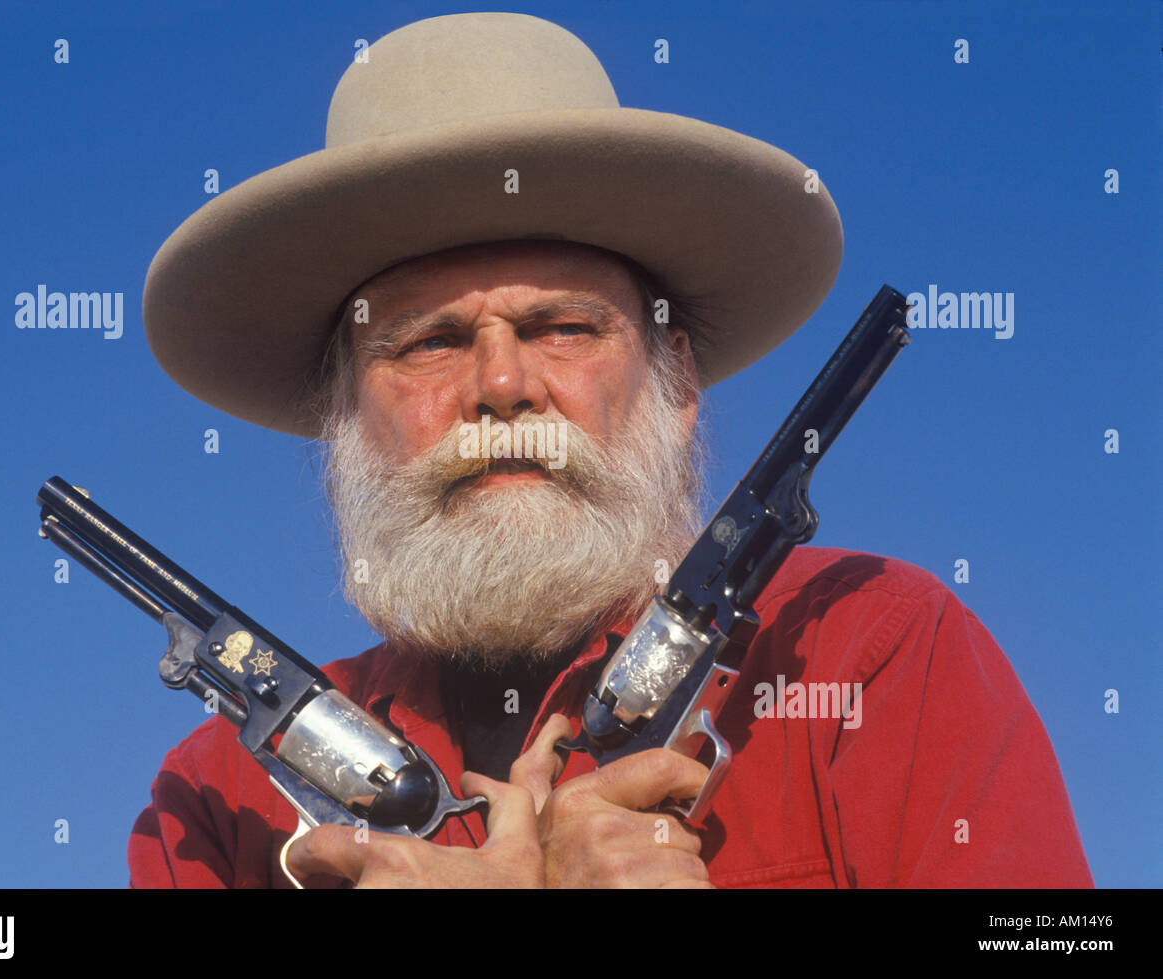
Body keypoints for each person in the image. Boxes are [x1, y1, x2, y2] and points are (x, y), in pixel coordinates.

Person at [129, 12, 1092, 888]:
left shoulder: (874, 652)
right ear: (344, 418)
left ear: (674, 390)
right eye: (429, 342)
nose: (502, 386)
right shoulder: (217, 802)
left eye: (562, 327)